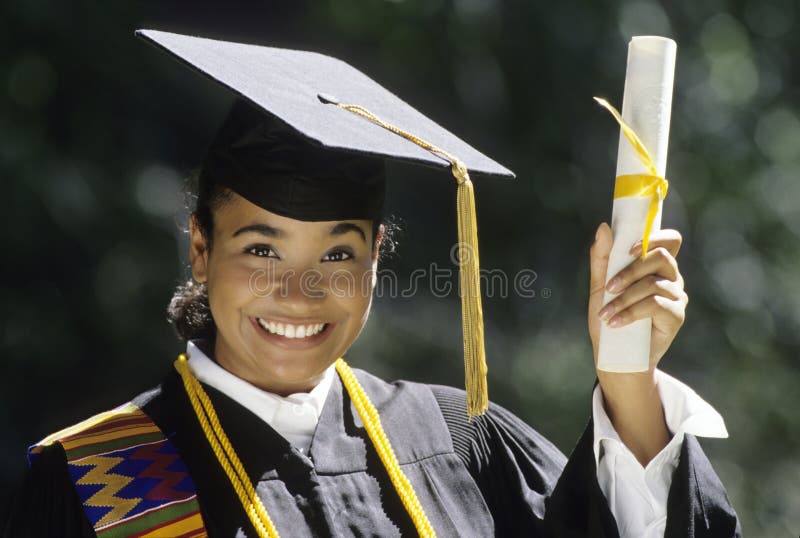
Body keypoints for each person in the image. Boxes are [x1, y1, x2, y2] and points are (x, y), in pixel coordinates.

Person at [3, 29, 740, 537]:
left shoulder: (456, 437)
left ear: (377, 258)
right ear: (200, 247)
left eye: (337, 254)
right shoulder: (103, 481)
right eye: (261, 249)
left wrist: (628, 379)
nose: (299, 291)